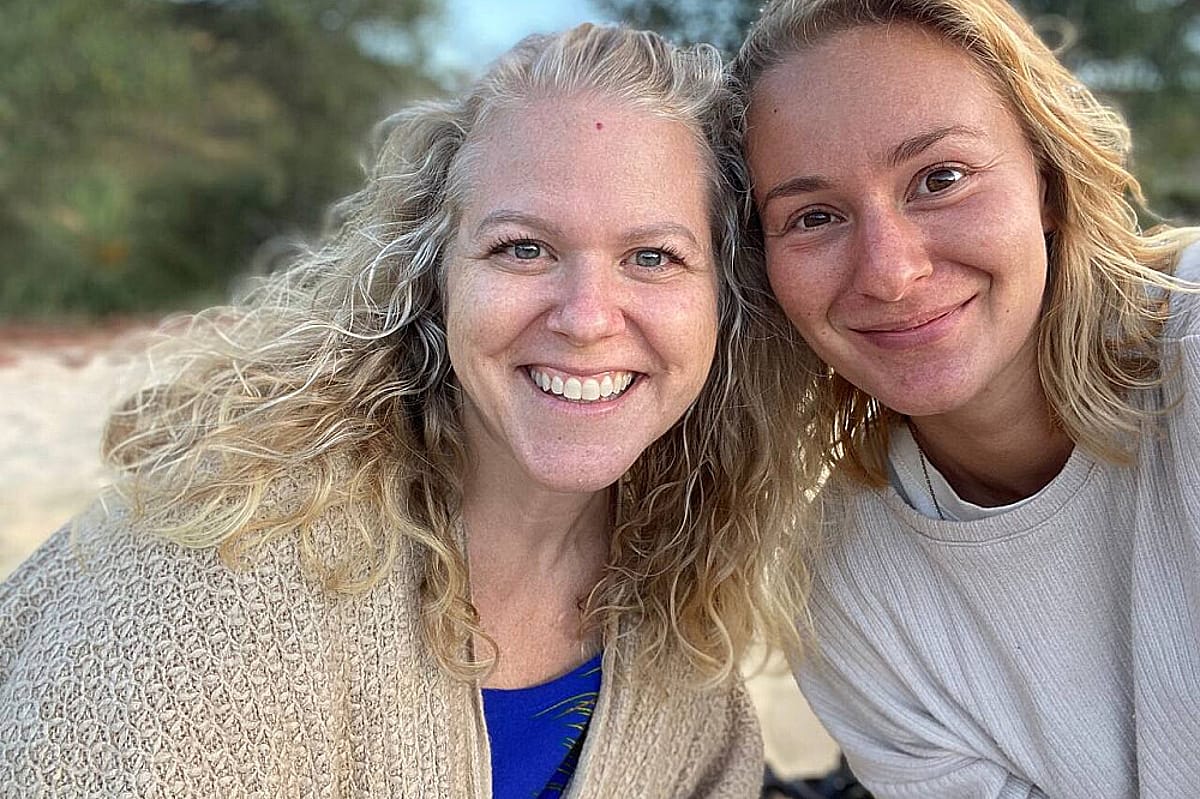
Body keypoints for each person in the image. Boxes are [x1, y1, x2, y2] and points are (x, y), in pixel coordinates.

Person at [0, 24, 809, 797]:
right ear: (434, 276)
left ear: (725, 302)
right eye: (522, 247)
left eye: (653, 256)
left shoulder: (681, 631)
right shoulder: (208, 584)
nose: (587, 316)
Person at [732, 1, 1200, 797]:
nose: (889, 270)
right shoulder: (839, 584)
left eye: (940, 179)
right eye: (813, 216)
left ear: (1048, 182)